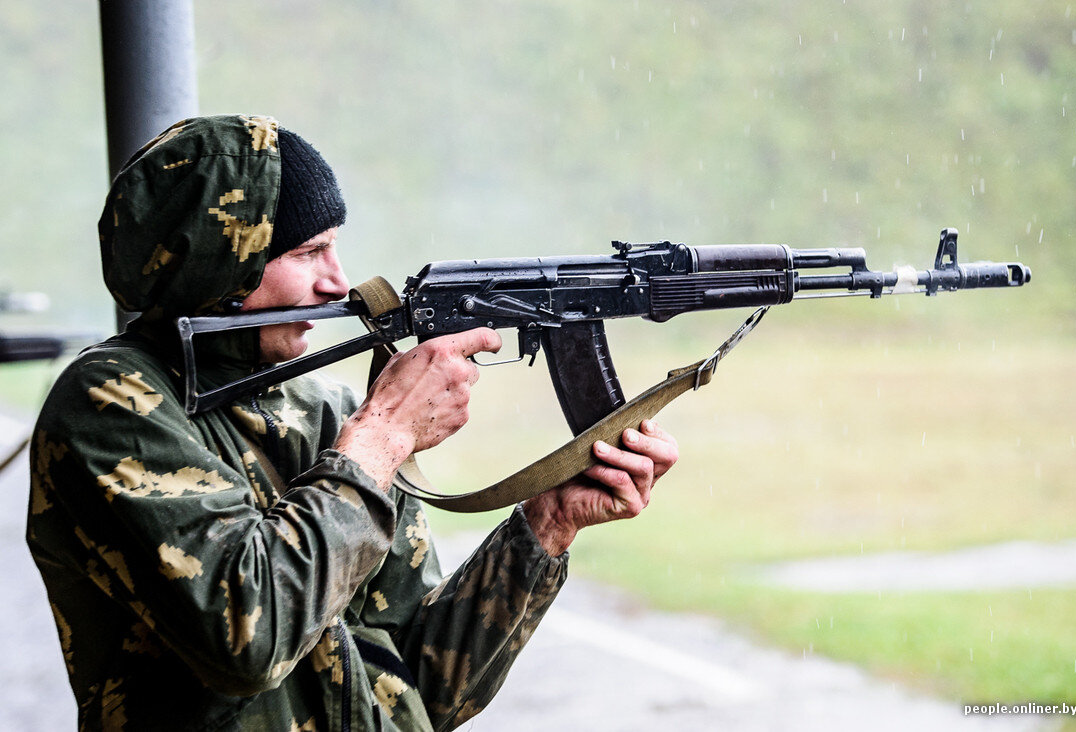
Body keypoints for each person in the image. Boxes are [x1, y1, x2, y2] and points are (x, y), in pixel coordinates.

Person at [27, 115, 678, 731]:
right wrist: (385, 433)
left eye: (333, 247)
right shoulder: (111, 402)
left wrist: (548, 523)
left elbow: (421, 685)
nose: (338, 282)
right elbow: (247, 638)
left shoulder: (328, 411)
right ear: (224, 263)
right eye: (309, 252)